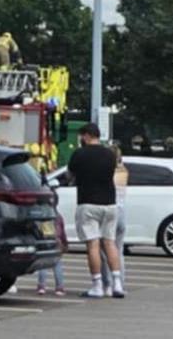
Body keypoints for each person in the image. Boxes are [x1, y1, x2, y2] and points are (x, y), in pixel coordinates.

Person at [66, 123, 124, 299]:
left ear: (86, 136)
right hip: (110, 203)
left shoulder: (79, 154)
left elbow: (70, 175)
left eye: (81, 136)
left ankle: (97, 285)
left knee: (93, 245)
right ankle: (117, 284)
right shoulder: (110, 154)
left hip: (88, 202)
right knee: (110, 242)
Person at [100, 145, 129, 290]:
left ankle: (108, 284)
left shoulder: (108, 172)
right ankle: (120, 282)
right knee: (119, 250)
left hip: (110, 210)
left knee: (105, 251)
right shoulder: (123, 171)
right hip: (122, 212)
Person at [36, 211, 67, 296]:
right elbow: (62, 231)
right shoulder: (58, 215)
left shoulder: (40, 215)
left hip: (44, 241)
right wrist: (64, 243)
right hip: (56, 241)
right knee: (57, 264)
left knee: (43, 264)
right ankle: (59, 287)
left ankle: (41, 286)